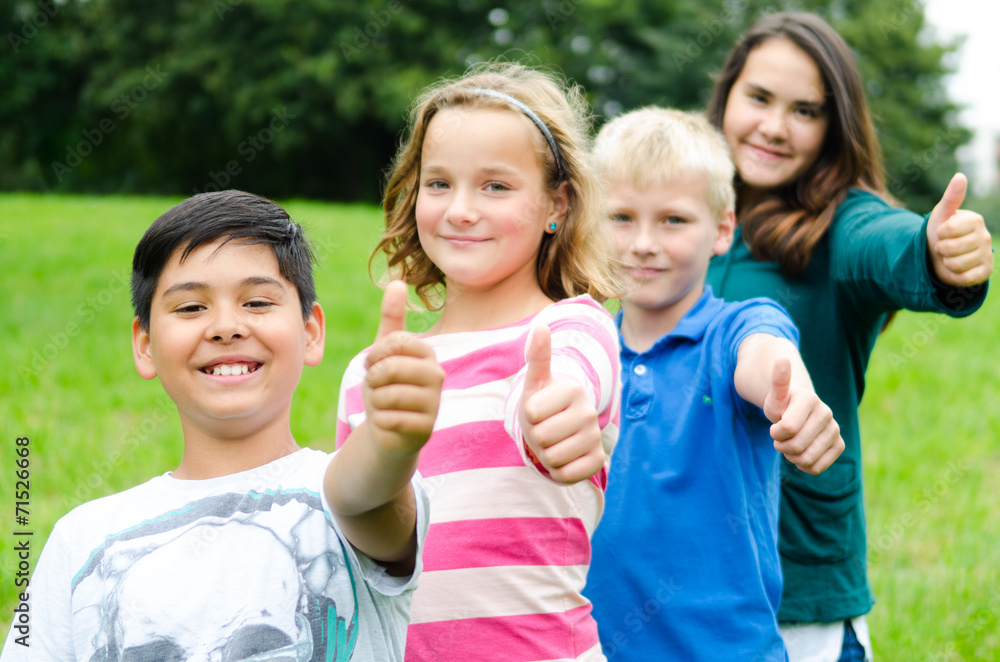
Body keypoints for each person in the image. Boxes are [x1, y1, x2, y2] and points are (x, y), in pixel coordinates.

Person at [0, 190, 445, 662]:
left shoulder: (339, 501)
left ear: (311, 332)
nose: (225, 326)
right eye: (191, 308)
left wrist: (386, 447)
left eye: (256, 302)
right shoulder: (80, 539)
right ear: (145, 345)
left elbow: (365, 497)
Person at [705, 12, 994, 661]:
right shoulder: (674, 220)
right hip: (668, 586)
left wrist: (934, 252)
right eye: (758, 98)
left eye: (805, 111)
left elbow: (887, 245)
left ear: (834, 129)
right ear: (725, 97)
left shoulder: (840, 225)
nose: (775, 126)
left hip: (796, 596)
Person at [336, 62, 623, 662]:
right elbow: (359, 542)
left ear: (557, 206)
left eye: (495, 186)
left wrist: (554, 415)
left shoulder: (567, 329)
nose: (461, 209)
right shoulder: (374, 372)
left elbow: (569, 382)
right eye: (439, 184)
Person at [581, 107, 844, 661]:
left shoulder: (735, 330)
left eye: (673, 220)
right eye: (621, 217)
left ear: (723, 230)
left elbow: (768, 354)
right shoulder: (581, 350)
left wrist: (793, 395)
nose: (643, 243)